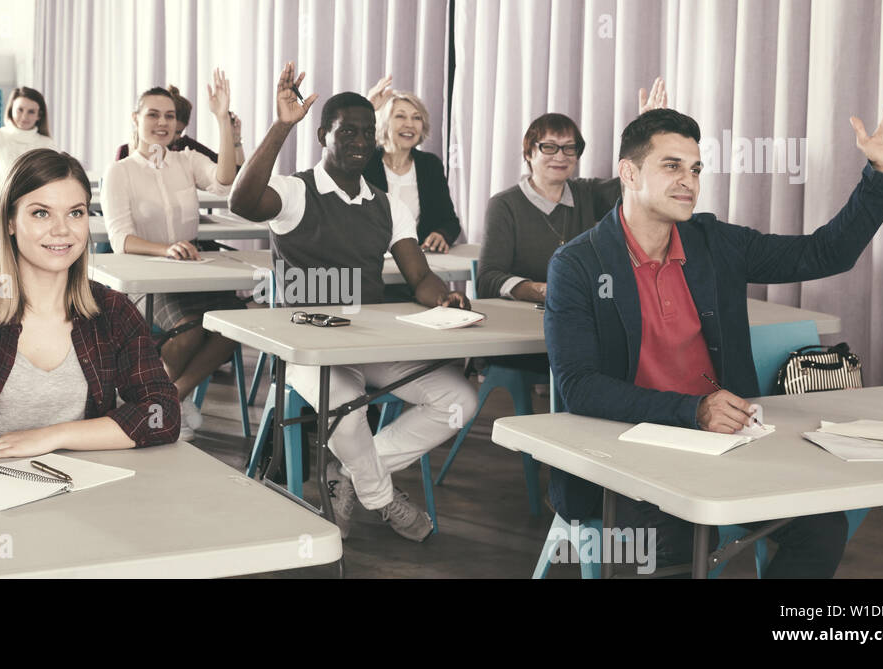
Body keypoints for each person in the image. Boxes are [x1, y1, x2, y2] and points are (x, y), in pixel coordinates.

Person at [545, 89, 883, 577]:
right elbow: (579, 387)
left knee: (821, 526)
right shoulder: (576, 264)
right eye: (672, 166)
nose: (688, 182)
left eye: (695, 169)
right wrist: (692, 410)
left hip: (726, 444)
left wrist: (882, 176)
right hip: (628, 450)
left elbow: (826, 253)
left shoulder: (714, 243)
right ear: (629, 173)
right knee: (667, 542)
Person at [230, 62, 479, 543]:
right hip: (308, 343)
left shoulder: (388, 205)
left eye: (368, 133)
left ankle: (356, 476)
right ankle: (382, 497)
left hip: (373, 340)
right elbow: (242, 201)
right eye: (348, 132)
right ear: (323, 134)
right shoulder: (296, 191)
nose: (360, 142)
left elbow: (420, 277)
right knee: (344, 405)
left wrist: (445, 299)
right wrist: (282, 125)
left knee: (460, 399)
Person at [0, 90, 179, 458]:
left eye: (75, 213)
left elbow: (161, 415)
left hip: (75, 490)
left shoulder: (112, 311)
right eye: (41, 213)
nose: (62, 230)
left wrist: (53, 436)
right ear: (10, 221)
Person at [478, 79, 668, 377]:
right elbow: (488, 279)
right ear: (529, 153)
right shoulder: (504, 204)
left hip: (581, 322)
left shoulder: (586, 193)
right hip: (521, 331)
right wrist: (543, 290)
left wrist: (649, 131)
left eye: (570, 148)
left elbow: (635, 182)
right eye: (549, 147)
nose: (561, 156)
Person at [101, 72, 243, 441]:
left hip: (193, 273)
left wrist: (222, 120)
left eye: (168, 116)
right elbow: (121, 240)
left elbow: (226, 181)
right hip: (146, 278)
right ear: (136, 119)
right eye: (152, 115)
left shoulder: (187, 161)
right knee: (192, 328)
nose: (162, 123)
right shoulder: (119, 172)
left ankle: (169, 399)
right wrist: (166, 249)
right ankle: (160, 402)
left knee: (236, 322)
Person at [362, 76, 461, 254]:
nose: (410, 124)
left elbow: (450, 222)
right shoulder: (364, 162)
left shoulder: (430, 165)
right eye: (400, 116)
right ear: (383, 121)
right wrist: (367, 108)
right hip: (367, 262)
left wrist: (441, 234)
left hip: (415, 263)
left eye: (417, 118)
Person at [0, 57, 58, 196]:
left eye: (31, 112)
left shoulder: (47, 145)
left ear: (39, 116)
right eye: (20, 110)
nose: (24, 117)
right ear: (11, 110)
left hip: (32, 211)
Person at [115, 85, 246, 167]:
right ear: (136, 119)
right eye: (154, 115)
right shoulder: (125, 153)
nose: (171, 136)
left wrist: (235, 141)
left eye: (178, 132)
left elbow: (234, 172)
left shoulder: (186, 149)